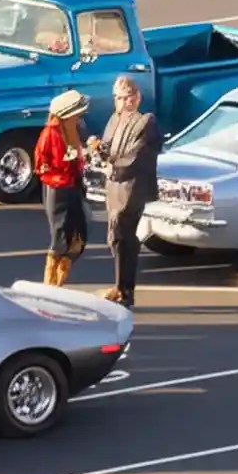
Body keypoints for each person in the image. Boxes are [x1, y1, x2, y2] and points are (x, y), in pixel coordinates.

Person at [88, 76, 161, 309]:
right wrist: (97, 149)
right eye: (119, 97)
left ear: (137, 98)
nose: (124, 102)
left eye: (129, 96)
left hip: (132, 188)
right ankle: (121, 286)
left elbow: (134, 157)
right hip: (114, 186)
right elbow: (108, 147)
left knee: (122, 235)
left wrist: (112, 166)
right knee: (116, 238)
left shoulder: (146, 122)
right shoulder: (114, 120)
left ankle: (126, 291)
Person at [34, 90, 91, 286]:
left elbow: (80, 152)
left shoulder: (74, 129)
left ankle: (58, 281)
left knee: (78, 236)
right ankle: (51, 284)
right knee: (61, 237)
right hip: (59, 190)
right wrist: (64, 171)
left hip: (73, 186)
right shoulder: (50, 134)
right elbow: (42, 166)